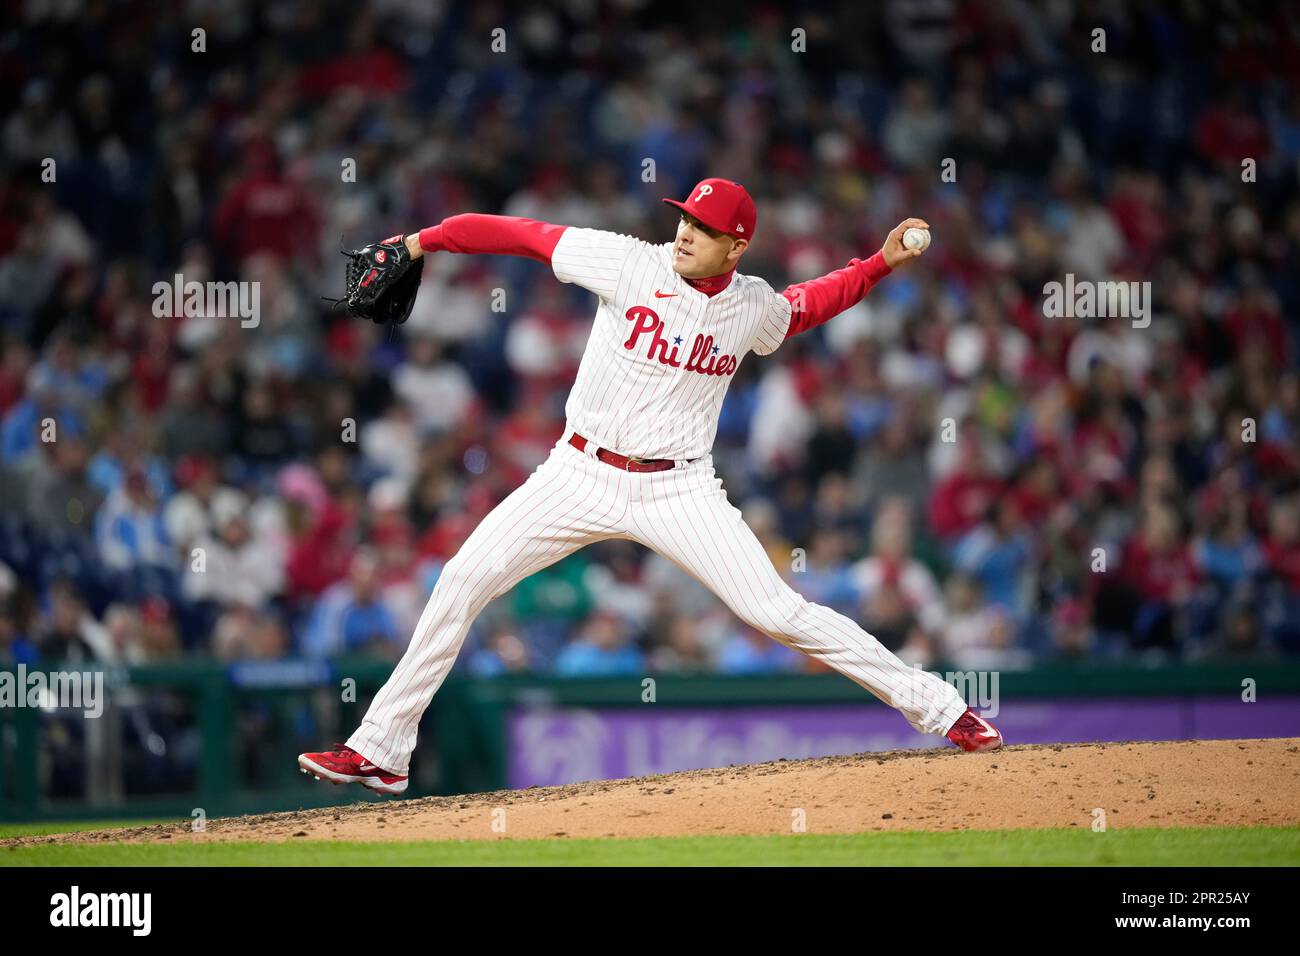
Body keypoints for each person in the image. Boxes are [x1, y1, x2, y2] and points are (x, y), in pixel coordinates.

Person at [299, 178, 1002, 795]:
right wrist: (420, 240)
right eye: (685, 220)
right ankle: (381, 751)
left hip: (679, 490)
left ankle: (944, 710)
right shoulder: (629, 260)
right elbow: (519, 235)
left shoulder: (749, 306)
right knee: (460, 579)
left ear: (737, 246)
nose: (687, 234)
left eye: (706, 229)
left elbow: (810, 304)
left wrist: (878, 264)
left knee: (778, 611)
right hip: (577, 473)